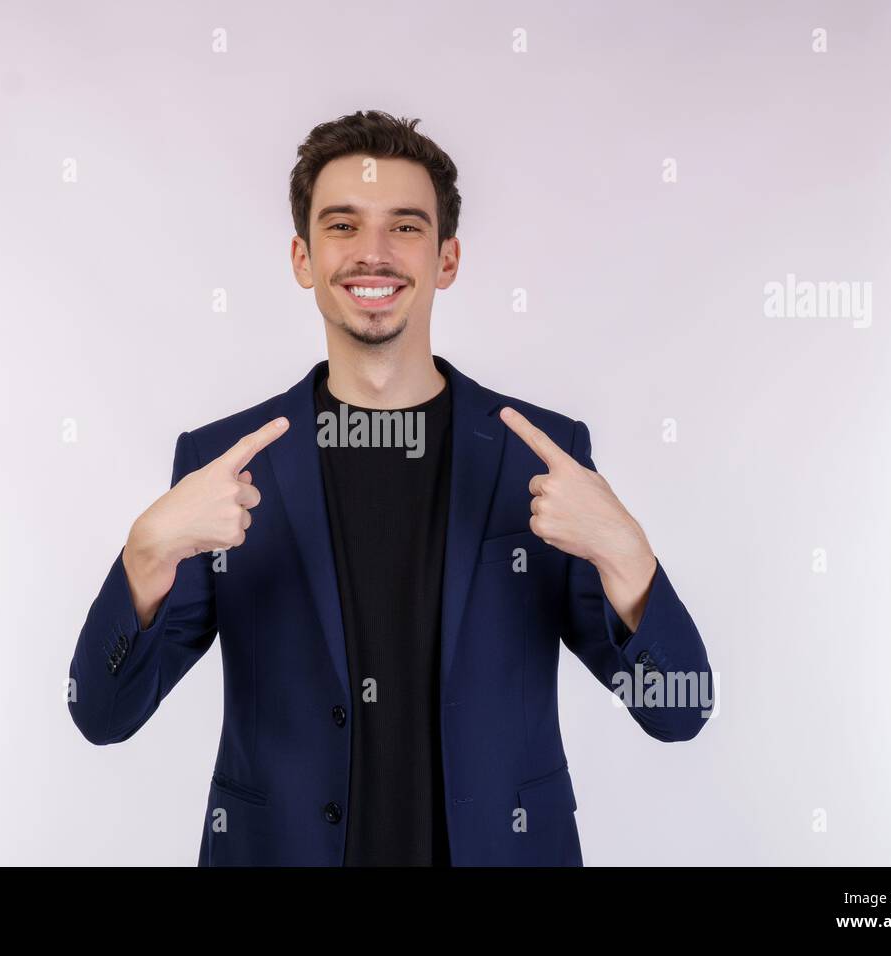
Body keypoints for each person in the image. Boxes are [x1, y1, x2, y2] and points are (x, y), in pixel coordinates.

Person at [66, 109, 714, 866]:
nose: (372, 254)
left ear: (447, 259)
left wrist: (628, 559)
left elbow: (681, 712)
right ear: (303, 257)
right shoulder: (223, 464)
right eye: (342, 226)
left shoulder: (542, 457)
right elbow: (103, 717)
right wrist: (145, 556)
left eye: (405, 227)